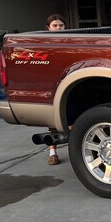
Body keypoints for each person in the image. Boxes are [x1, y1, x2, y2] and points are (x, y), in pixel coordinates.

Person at [45, 14, 65, 164]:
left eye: (61, 25)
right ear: (48, 28)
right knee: (52, 122)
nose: (58, 28)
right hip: (51, 85)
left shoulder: (70, 43)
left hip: (67, 84)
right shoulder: (44, 45)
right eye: (55, 26)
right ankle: (52, 153)